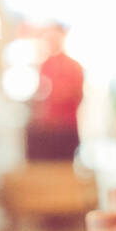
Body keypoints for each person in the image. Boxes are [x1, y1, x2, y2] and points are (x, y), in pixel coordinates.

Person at [26, 24, 84, 161]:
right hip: (49, 127)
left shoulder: (73, 66)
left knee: (65, 165)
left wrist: (62, 94)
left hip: (68, 126)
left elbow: (77, 95)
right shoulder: (45, 65)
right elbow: (41, 94)